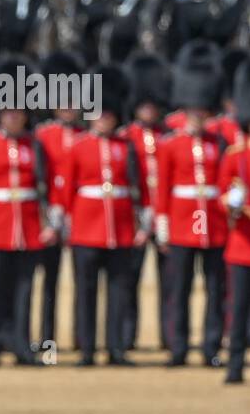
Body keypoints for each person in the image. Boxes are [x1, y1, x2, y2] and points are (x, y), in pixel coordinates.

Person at [0, 55, 54, 365]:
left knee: (25, 289)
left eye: (19, 111)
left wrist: (49, 223)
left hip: (28, 227)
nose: (14, 117)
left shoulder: (36, 146)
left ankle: (20, 344)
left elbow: (45, 188)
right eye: (8, 112)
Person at [61, 65, 147, 365]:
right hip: (86, 228)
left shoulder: (127, 147)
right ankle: (86, 349)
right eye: (100, 114)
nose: (104, 119)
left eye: (109, 115)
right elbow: (67, 190)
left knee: (119, 291)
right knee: (86, 292)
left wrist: (141, 224)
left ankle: (116, 347)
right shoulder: (79, 147)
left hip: (120, 228)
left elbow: (137, 189)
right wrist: (65, 224)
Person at [156, 50, 227, 367]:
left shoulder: (219, 143)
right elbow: (164, 186)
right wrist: (162, 224)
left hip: (213, 222)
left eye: (202, 111)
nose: (197, 116)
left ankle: (211, 346)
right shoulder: (171, 144)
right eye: (193, 111)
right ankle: (178, 346)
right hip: (183, 221)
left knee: (214, 289)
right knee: (179, 289)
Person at [34, 50, 85, 350]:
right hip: (49, 216)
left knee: (82, 282)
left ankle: (82, 338)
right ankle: (47, 339)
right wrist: (49, 216)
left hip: (80, 217)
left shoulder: (86, 136)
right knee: (49, 282)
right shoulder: (41, 135)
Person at [122, 53, 171, 350]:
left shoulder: (169, 135)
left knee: (171, 283)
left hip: (167, 214)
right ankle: (127, 338)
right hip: (137, 214)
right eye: (144, 105)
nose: (149, 110)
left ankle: (170, 337)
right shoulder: (127, 136)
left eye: (152, 105)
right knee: (130, 281)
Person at [218, 62, 250, 384]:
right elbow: (221, 194)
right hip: (243, 245)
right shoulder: (235, 155)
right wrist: (232, 200)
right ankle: (234, 367)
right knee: (238, 309)